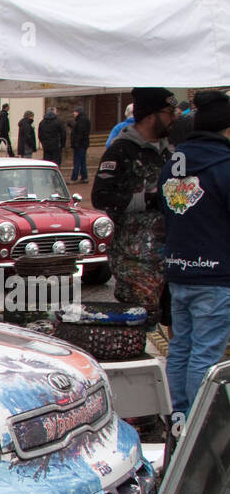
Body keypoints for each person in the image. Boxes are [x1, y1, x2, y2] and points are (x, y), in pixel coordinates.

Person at [159, 90, 230, 415]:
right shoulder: (224, 164)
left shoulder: (174, 162)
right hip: (214, 273)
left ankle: (178, 415)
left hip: (179, 268)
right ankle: (195, 424)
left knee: (181, 350)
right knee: (204, 354)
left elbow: (167, 208)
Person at [92, 87, 178, 320]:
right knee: (139, 322)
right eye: (169, 112)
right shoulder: (121, 150)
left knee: (174, 319)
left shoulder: (170, 150)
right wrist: (148, 199)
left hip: (169, 254)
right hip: (134, 258)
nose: (174, 117)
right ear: (151, 115)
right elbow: (101, 196)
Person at [69, 106, 92, 182]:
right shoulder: (83, 120)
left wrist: (76, 142)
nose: (74, 113)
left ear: (78, 112)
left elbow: (80, 132)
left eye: (75, 112)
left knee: (77, 161)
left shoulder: (81, 121)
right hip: (83, 143)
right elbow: (80, 130)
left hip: (80, 144)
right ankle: (84, 176)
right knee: (82, 161)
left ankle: (74, 178)